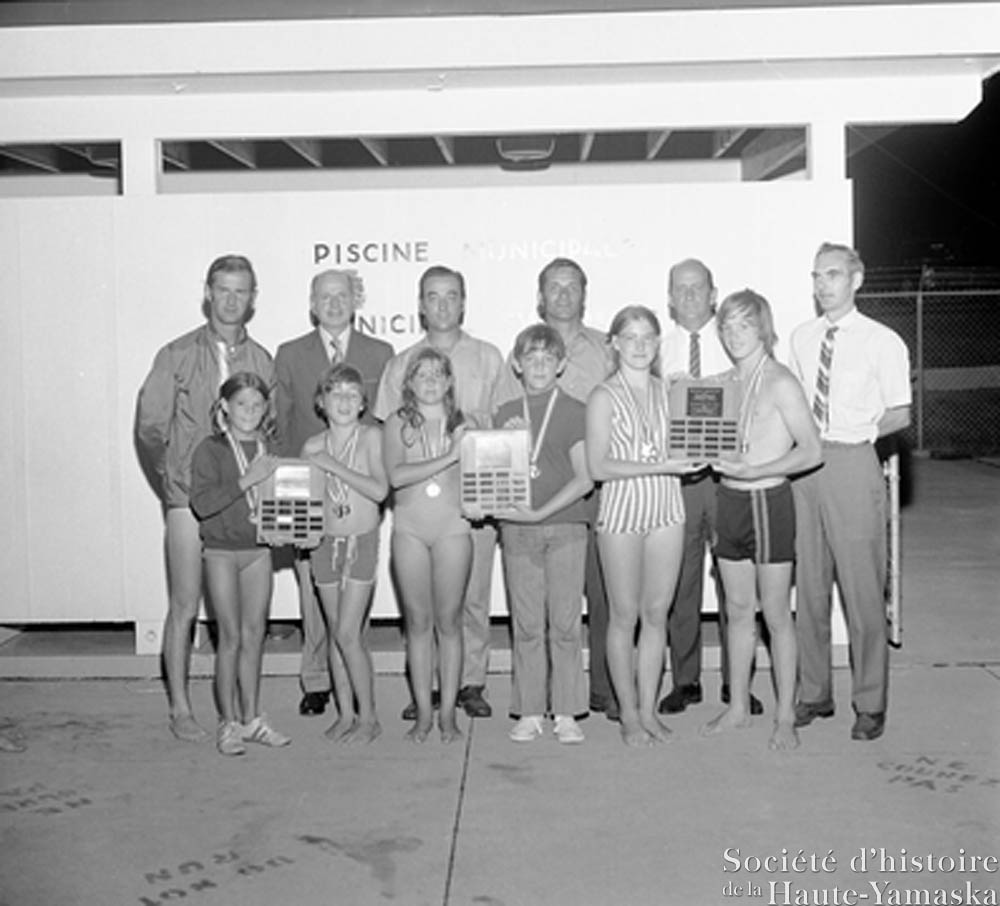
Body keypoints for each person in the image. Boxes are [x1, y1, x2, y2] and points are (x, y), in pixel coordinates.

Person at [136, 254, 275, 743]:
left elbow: (268, 430)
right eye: (224, 289)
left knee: (242, 622)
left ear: (252, 298)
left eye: (242, 291)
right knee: (184, 605)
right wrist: (176, 484)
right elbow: (150, 429)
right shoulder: (174, 354)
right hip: (188, 502)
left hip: (243, 506)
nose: (232, 300)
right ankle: (179, 706)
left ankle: (239, 714)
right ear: (208, 293)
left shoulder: (261, 360)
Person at [789, 242, 911, 742]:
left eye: (834, 275)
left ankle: (870, 702)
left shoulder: (883, 342)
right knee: (810, 590)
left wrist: (857, 436)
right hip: (805, 467)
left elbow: (900, 413)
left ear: (856, 281)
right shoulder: (800, 337)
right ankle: (815, 693)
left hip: (852, 462)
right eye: (817, 276)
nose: (823, 285)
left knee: (861, 592)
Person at [376, 266, 503, 720]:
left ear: (464, 302)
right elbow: (388, 438)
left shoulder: (489, 357)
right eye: (434, 297)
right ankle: (424, 689)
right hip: (419, 506)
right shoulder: (401, 364)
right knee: (422, 608)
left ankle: (471, 682)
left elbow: (507, 425)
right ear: (421, 305)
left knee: (473, 598)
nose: (443, 305)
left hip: (475, 500)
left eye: (452, 296)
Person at [700, 291, 821, 750]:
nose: (734, 335)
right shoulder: (723, 383)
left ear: (764, 327)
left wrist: (758, 470)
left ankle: (786, 715)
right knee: (735, 611)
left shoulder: (781, 382)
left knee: (775, 615)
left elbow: (810, 451)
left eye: (744, 325)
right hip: (728, 501)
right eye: (727, 326)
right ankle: (736, 707)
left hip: (768, 502)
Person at [496, 258, 616, 717]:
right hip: (523, 514)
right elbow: (492, 442)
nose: (563, 294)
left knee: (590, 605)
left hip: (583, 502)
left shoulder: (606, 348)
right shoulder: (510, 393)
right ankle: (530, 708)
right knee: (529, 621)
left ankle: (586, 699)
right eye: (554, 287)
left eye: (572, 287)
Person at [275, 269, 394, 718]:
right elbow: (281, 427)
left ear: (355, 299)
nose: (333, 303)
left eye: (342, 295)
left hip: (361, 498)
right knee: (312, 595)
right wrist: (289, 505)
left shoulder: (380, 353)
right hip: (313, 497)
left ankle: (358, 699)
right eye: (324, 296)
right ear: (312, 303)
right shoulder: (289, 354)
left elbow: (387, 425)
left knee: (351, 615)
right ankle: (316, 679)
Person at [658, 258, 763, 717]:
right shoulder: (656, 349)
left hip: (728, 479)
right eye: (680, 289)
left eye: (697, 288)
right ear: (669, 298)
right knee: (680, 580)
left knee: (734, 580)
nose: (689, 296)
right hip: (680, 480)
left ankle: (736, 682)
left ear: (713, 293)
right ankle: (685, 680)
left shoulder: (737, 345)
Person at [585, 305, 692, 746]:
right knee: (623, 615)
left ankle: (649, 709)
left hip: (667, 506)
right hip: (623, 511)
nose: (640, 345)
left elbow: (693, 442)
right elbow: (597, 466)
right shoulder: (602, 396)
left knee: (656, 614)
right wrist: (663, 463)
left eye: (648, 336)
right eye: (630, 337)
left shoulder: (670, 391)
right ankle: (627, 713)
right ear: (614, 343)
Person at [494, 324, 593, 744]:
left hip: (566, 525)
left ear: (562, 364)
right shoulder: (503, 413)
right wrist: (506, 440)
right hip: (518, 528)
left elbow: (585, 478)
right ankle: (531, 709)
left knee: (566, 623)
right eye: (530, 358)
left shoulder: (575, 410)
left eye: (547, 359)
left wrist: (542, 512)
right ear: (516, 364)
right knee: (528, 623)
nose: (538, 366)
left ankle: (567, 711)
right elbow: (493, 477)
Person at [189, 372, 290, 756]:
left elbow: (283, 502)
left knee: (254, 636)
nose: (250, 411)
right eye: (242, 404)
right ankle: (228, 723)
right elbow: (202, 504)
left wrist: (286, 529)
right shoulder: (210, 450)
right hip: (220, 552)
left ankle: (252, 719)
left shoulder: (270, 447)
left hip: (258, 552)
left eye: (257, 404)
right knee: (229, 638)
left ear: (266, 410)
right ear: (225, 408)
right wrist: (248, 480)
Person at [383, 348, 471, 743]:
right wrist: (448, 456)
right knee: (418, 624)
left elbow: (484, 474)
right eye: (422, 375)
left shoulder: (465, 425)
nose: (431, 381)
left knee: (449, 623)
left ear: (450, 382)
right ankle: (422, 713)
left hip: (453, 528)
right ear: (409, 384)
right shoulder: (397, 423)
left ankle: (449, 713)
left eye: (439, 374)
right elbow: (396, 477)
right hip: (410, 532)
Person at [301, 364, 389, 744]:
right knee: (338, 633)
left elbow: (379, 490)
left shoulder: (371, 438)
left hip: (360, 542)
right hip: (325, 545)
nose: (343, 401)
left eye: (352, 394)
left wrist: (334, 465)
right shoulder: (312, 447)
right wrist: (296, 530)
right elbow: (308, 503)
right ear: (321, 402)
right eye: (335, 393)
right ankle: (346, 713)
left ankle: (369, 717)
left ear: (363, 403)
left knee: (350, 633)